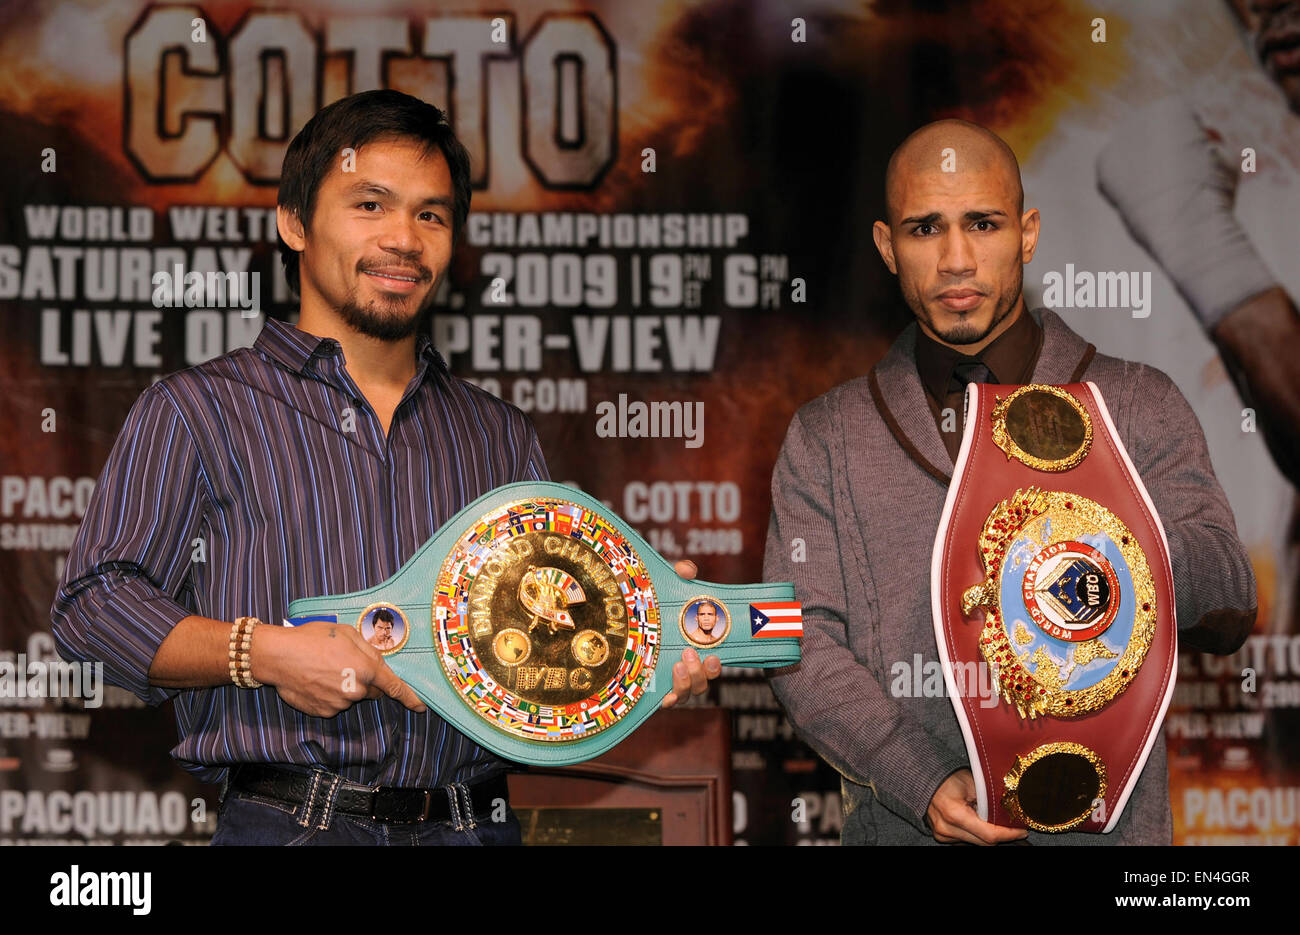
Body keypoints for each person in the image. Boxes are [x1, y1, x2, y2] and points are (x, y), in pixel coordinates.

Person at [50, 90, 717, 846]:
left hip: (476, 825)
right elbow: (92, 607)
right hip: (291, 823)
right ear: (293, 221)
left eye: (431, 215)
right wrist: (262, 652)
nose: (405, 237)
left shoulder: (497, 433)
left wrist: (643, 654)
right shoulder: (198, 408)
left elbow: (531, 647)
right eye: (371, 204)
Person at [764, 118, 1258, 846]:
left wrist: (1116, 549)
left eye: (983, 224)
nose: (957, 259)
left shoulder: (1135, 402)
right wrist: (918, 777)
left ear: (1027, 233)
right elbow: (794, 636)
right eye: (925, 228)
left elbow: (1230, 597)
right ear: (886, 247)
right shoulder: (825, 435)